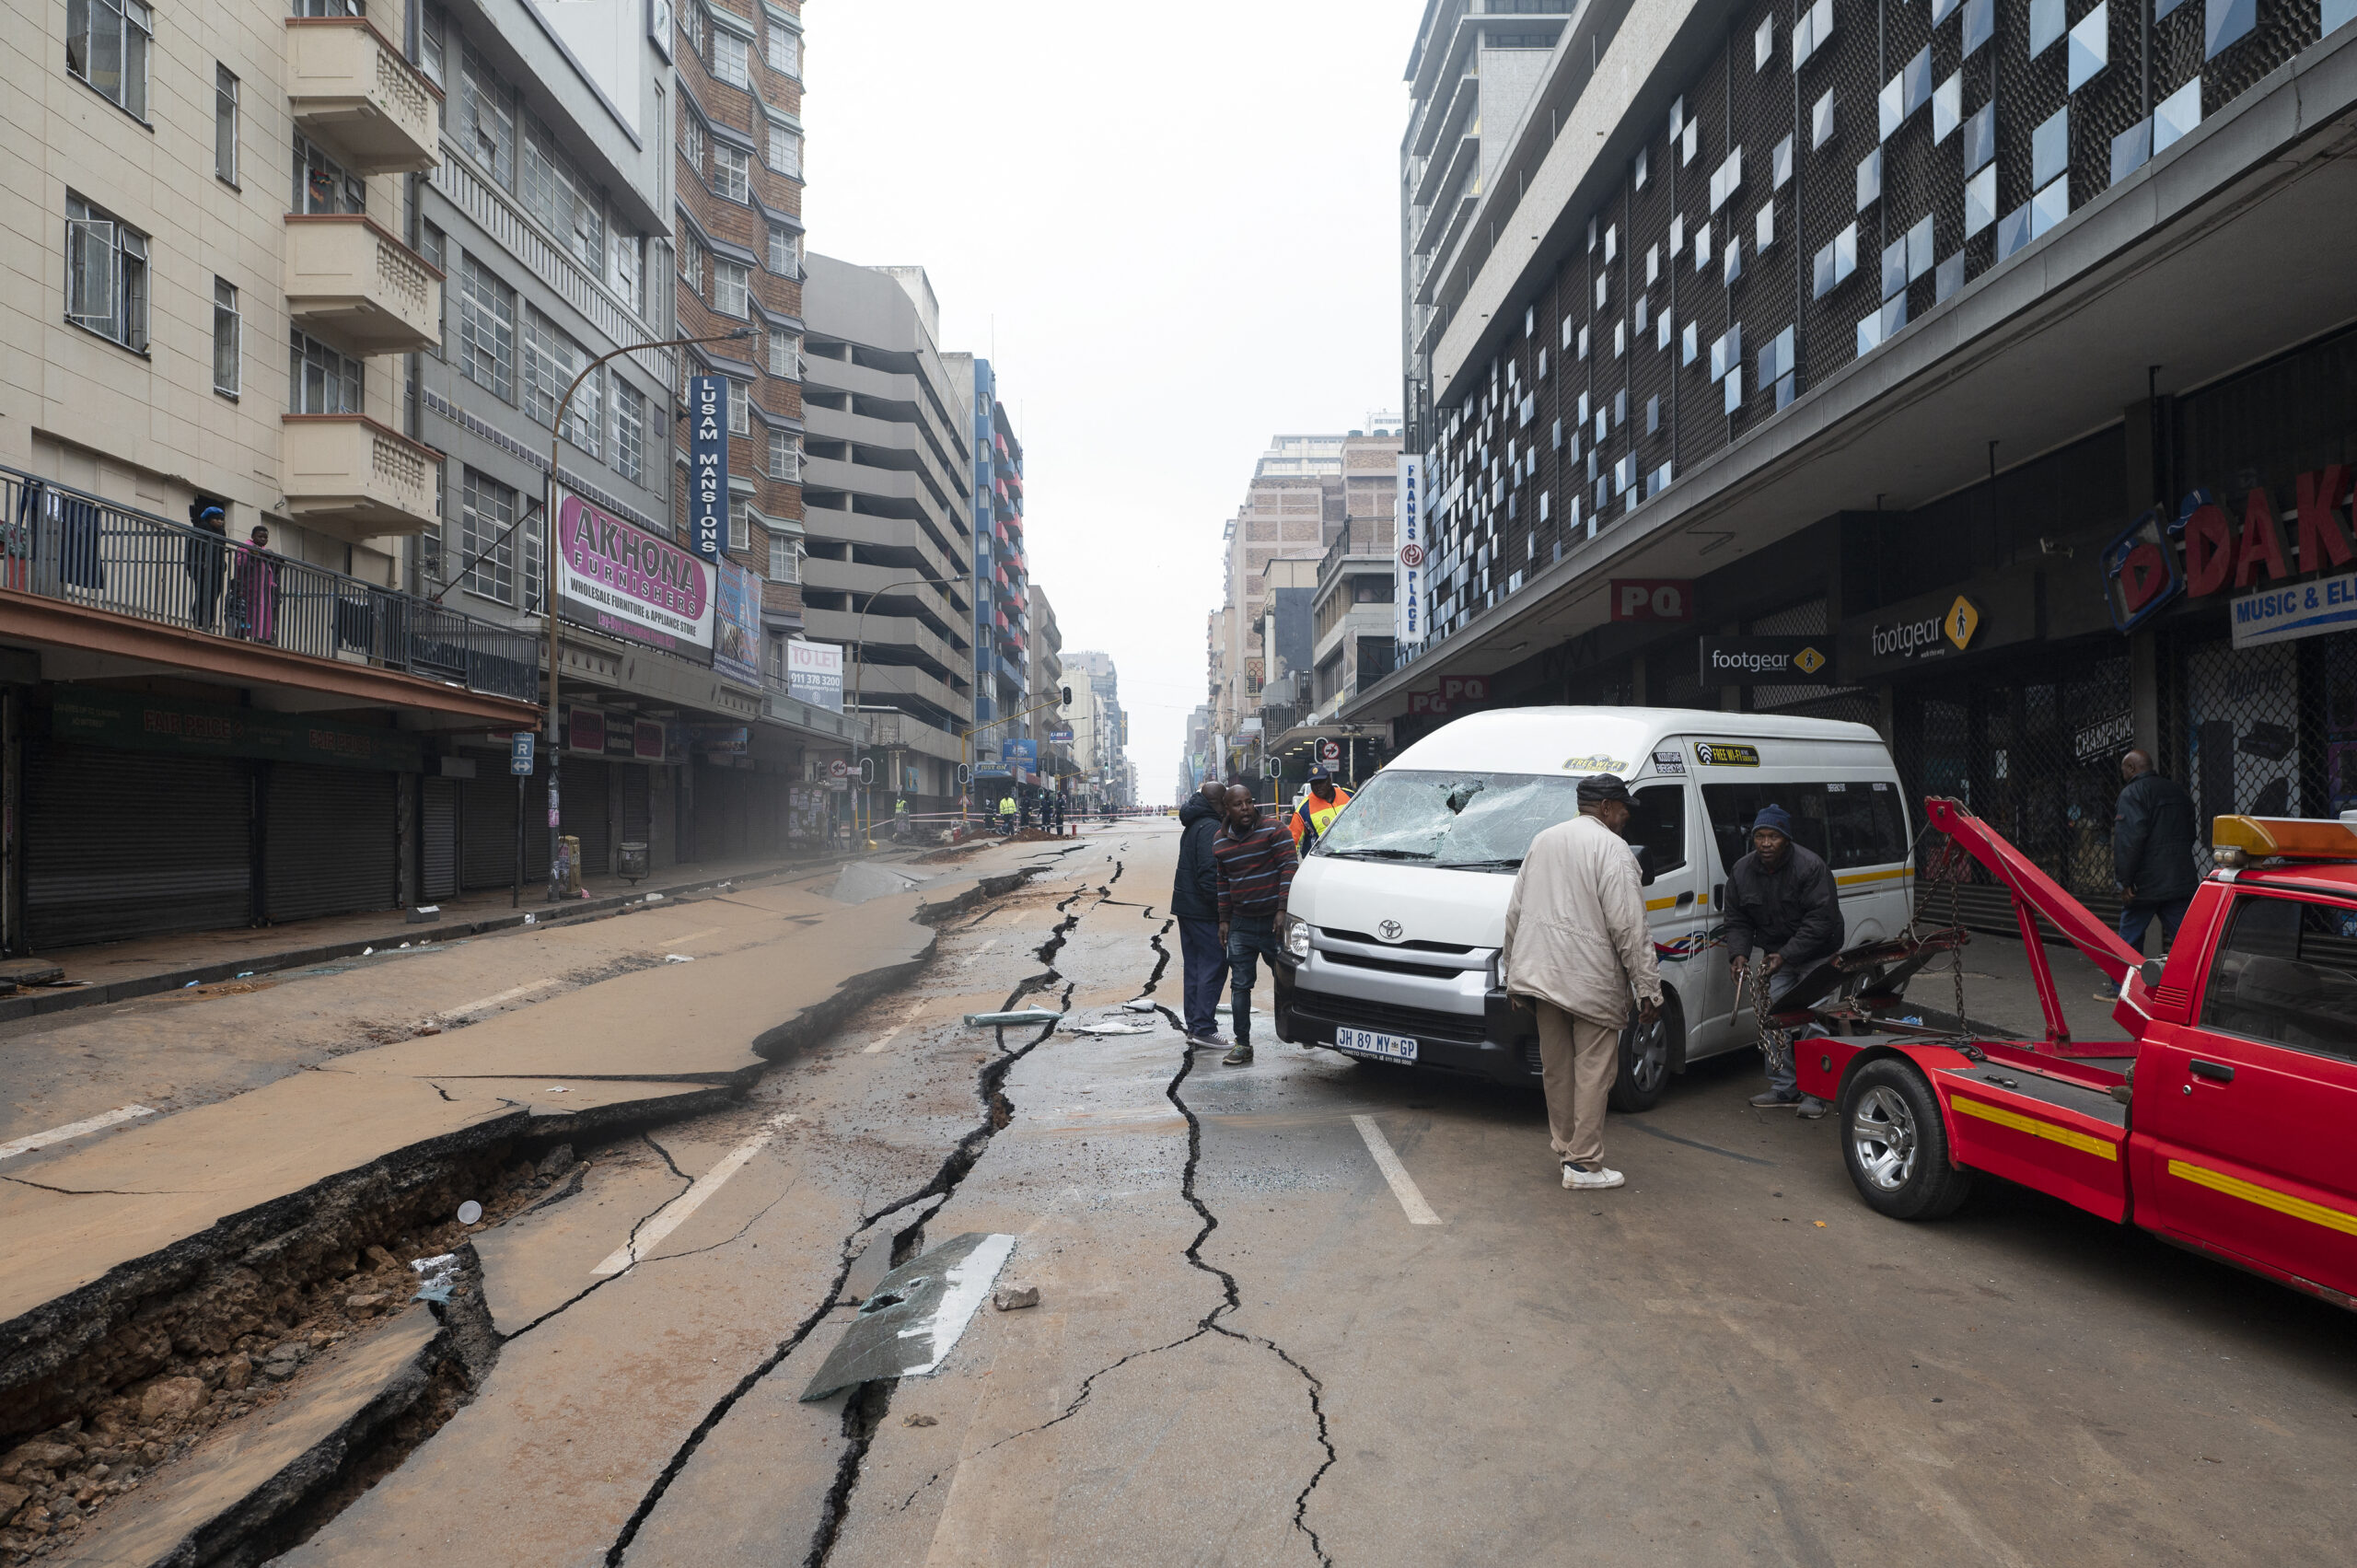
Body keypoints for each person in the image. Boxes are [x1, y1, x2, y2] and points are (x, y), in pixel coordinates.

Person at [1500, 773, 1664, 1191]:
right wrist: (1648, 988)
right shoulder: (1613, 849)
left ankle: (1566, 1149)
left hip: (1541, 976)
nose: (1626, 818)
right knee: (1593, 1072)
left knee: (1556, 1070)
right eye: (1623, 810)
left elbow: (1515, 911)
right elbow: (1630, 926)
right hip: (1589, 981)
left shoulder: (1544, 840)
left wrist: (1512, 975)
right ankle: (1584, 1163)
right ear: (1606, 807)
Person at [1724, 805, 1842, 1118]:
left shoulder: (1810, 867)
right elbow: (1737, 918)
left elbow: (1821, 921)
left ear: (1786, 839)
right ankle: (1783, 1087)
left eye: (1773, 836)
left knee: (1813, 1021)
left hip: (1814, 954)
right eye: (1759, 836)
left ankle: (1815, 1094)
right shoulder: (1742, 871)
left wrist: (1786, 954)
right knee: (1771, 1017)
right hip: (1776, 955)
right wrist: (1739, 954)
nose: (1765, 843)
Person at [1213, 783, 1297, 1066]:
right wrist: (1224, 920)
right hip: (1241, 925)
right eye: (1238, 804)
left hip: (1274, 922)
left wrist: (1282, 910)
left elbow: (1289, 868)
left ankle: (1301, 1030)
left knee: (1288, 980)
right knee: (1239, 986)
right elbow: (1222, 883)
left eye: (1249, 802)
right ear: (1227, 809)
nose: (1246, 808)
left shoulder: (1275, 831)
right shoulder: (1220, 842)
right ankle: (1243, 1045)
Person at [2107, 748, 2199, 989]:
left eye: (2124, 769)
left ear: (2132, 769)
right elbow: (2191, 832)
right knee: (2186, 938)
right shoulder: (2177, 790)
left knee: (2129, 937)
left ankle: (2122, 988)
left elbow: (2129, 841)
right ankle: (2196, 985)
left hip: (2145, 884)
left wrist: (2125, 882)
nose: (2123, 774)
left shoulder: (2131, 793)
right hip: (2178, 878)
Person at [1173, 778, 1231, 1050]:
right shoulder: (1210, 827)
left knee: (1196, 968)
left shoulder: (1195, 822)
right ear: (1217, 803)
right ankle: (1204, 1027)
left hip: (1187, 908)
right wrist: (1222, 914)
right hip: (1202, 910)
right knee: (1214, 964)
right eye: (1226, 802)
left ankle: (1195, 1027)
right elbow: (1210, 876)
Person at [229, 525, 279, 644]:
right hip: (250, 589)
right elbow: (240, 563)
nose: (263, 539)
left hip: (262, 591)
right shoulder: (246, 547)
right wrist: (252, 554)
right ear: (252, 536)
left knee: (260, 615)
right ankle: (241, 637)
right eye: (260, 536)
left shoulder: (262, 550)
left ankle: (261, 638)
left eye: (265, 537)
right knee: (246, 614)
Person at [1287, 766, 1353, 854]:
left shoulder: (1349, 796)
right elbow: (1292, 842)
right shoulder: (1303, 810)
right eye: (1314, 784)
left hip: (1354, 856)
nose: (1317, 787)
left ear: (1329, 780)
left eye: (1321, 782)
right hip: (1321, 862)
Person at [185, 500, 227, 629]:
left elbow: (220, 549)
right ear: (209, 519)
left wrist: (223, 564)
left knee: (215, 594)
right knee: (203, 594)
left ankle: (208, 622)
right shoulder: (201, 529)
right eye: (217, 519)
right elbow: (193, 548)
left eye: (222, 519)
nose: (220, 522)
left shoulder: (221, 532)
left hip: (217, 568)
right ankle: (199, 620)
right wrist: (196, 565)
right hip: (202, 568)